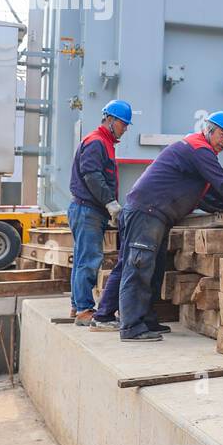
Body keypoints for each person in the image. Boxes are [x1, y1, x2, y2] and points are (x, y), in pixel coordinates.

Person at [115, 111, 223, 341]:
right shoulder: (199, 148)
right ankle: (130, 327)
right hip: (146, 213)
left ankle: (145, 320)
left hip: (155, 215)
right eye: (222, 135)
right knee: (139, 268)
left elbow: (201, 196)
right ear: (208, 130)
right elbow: (222, 182)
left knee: (153, 269)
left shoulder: (196, 153)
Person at [67, 100, 130, 326]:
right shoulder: (97, 142)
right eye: (124, 124)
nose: (126, 128)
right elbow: (92, 175)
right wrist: (110, 203)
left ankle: (78, 306)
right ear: (110, 120)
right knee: (89, 260)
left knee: (83, 259)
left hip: (86, 209)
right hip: (88, 209)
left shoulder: (104, 142)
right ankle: (85, 310)